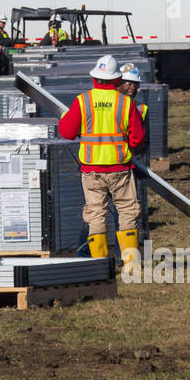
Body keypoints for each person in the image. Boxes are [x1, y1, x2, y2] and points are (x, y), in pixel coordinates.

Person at [58, 53, 146, 265]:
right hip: (120, 170)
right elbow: (138, 138)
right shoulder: (125, 104)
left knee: (95, 215)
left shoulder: (83, 101)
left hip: (91, 171)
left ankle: (98, 266)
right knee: (127, 212)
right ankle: (131, 264)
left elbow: (66, 132)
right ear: (117, 79)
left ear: (95, 78)